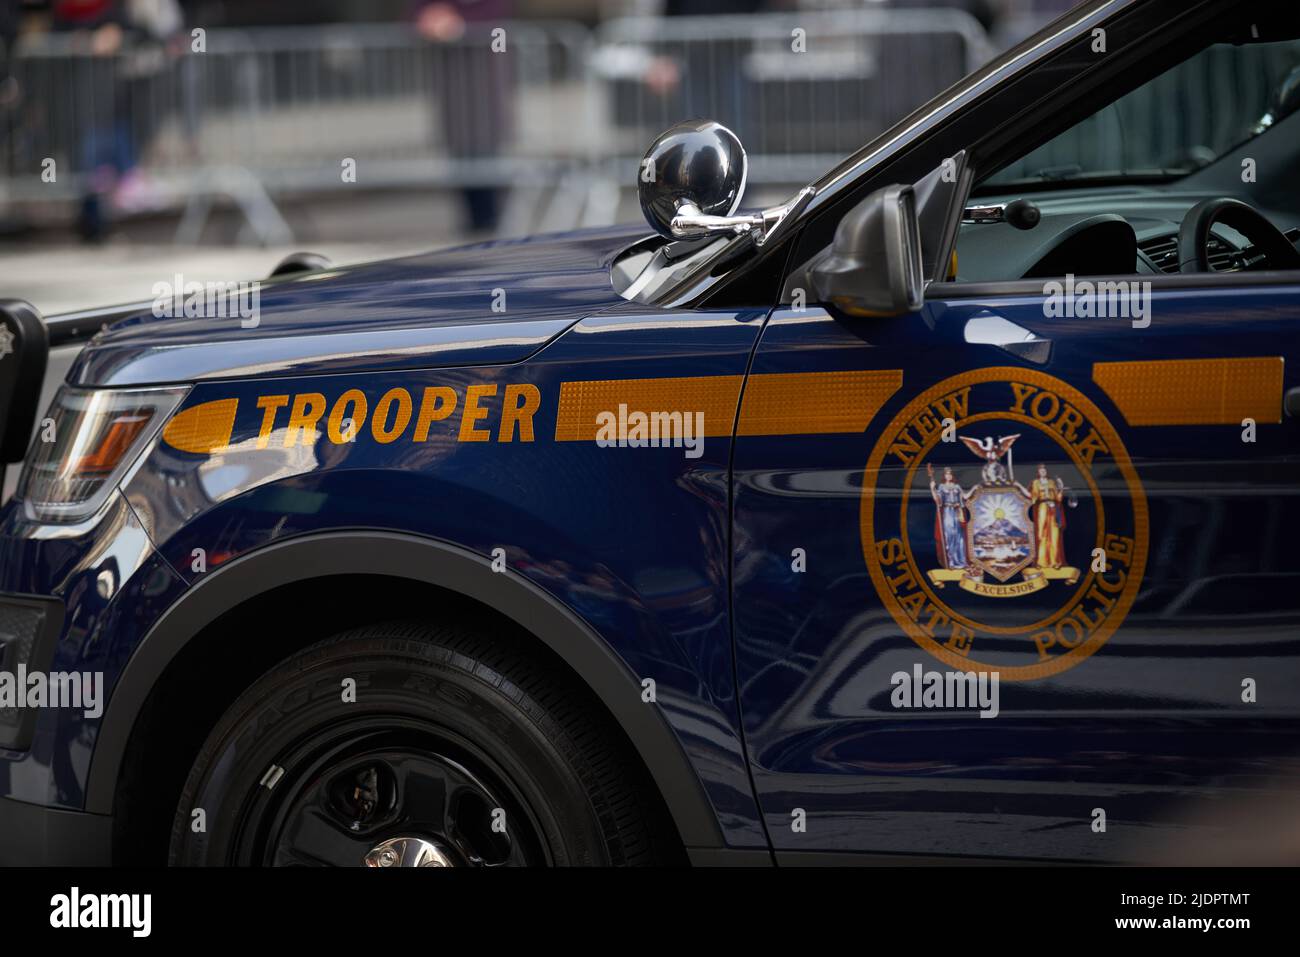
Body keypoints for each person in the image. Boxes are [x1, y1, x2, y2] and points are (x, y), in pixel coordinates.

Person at [928, 463, 969, 571]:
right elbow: (938, 501)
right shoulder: (941, 487)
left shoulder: (957, 486)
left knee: (959, 536)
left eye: (950, 474)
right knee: (949, 535)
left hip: (957, 512)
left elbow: (965, 497)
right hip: (947, 512)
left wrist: (975, 489)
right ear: (944, 476)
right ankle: (950, 561)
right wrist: (932, 489)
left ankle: (961, 561)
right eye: (947, 474)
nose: (948, 476)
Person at [1028, 463, 1066, 569]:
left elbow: (1058, 498)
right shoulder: (1035, 483)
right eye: (1041, 470)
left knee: (1054, 535)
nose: (1043, 472)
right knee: (1041, 535)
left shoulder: (1051, 482)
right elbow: (1033, 497)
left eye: (1044, 470)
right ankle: (1041, 562)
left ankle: (1054, 561)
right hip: (1042, 508)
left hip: (1053, 508)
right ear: (1038, 472)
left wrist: (1061, 488)